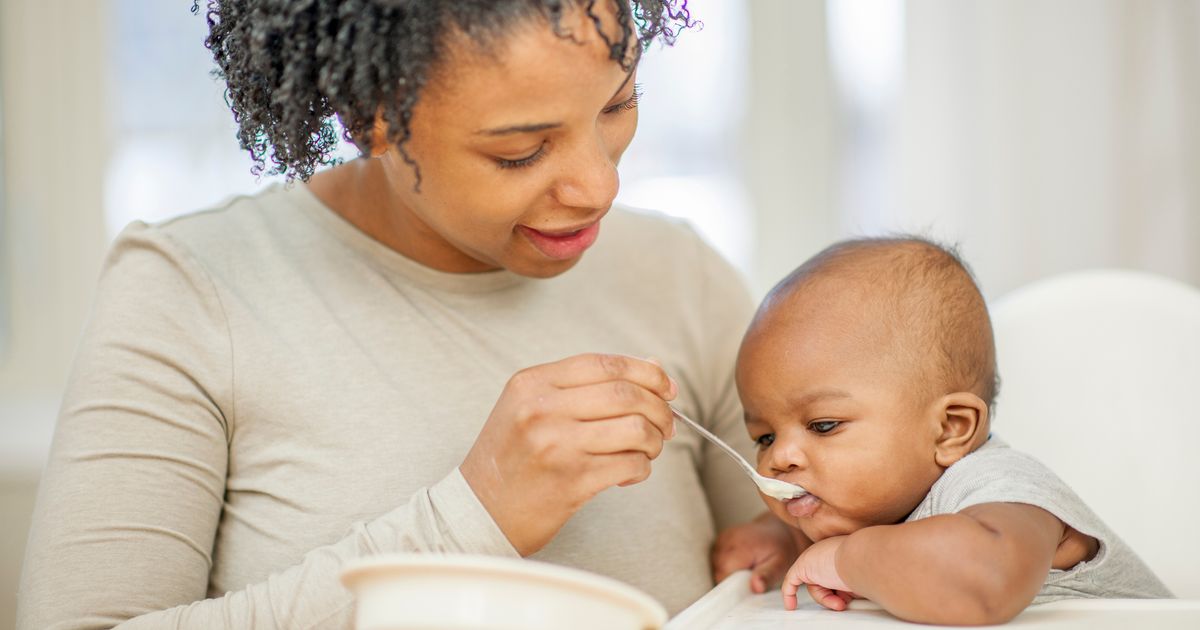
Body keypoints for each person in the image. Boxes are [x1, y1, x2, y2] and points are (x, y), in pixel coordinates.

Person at [16, 1, 797, 627]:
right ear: (371, 116)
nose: (598, 187)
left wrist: (794, 548)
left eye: (618, 106)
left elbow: (821, 548)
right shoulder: (190, 292)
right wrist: (476, 514)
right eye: (521, 150)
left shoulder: (680, 273)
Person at [736, 236, 1172, 625]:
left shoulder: (1001, 489)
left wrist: (843, 559)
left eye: (823, 425)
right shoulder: (876, 505)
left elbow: (980, 581)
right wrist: (780, 537)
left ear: (950, 429)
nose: (780, 457)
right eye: (765, 437)